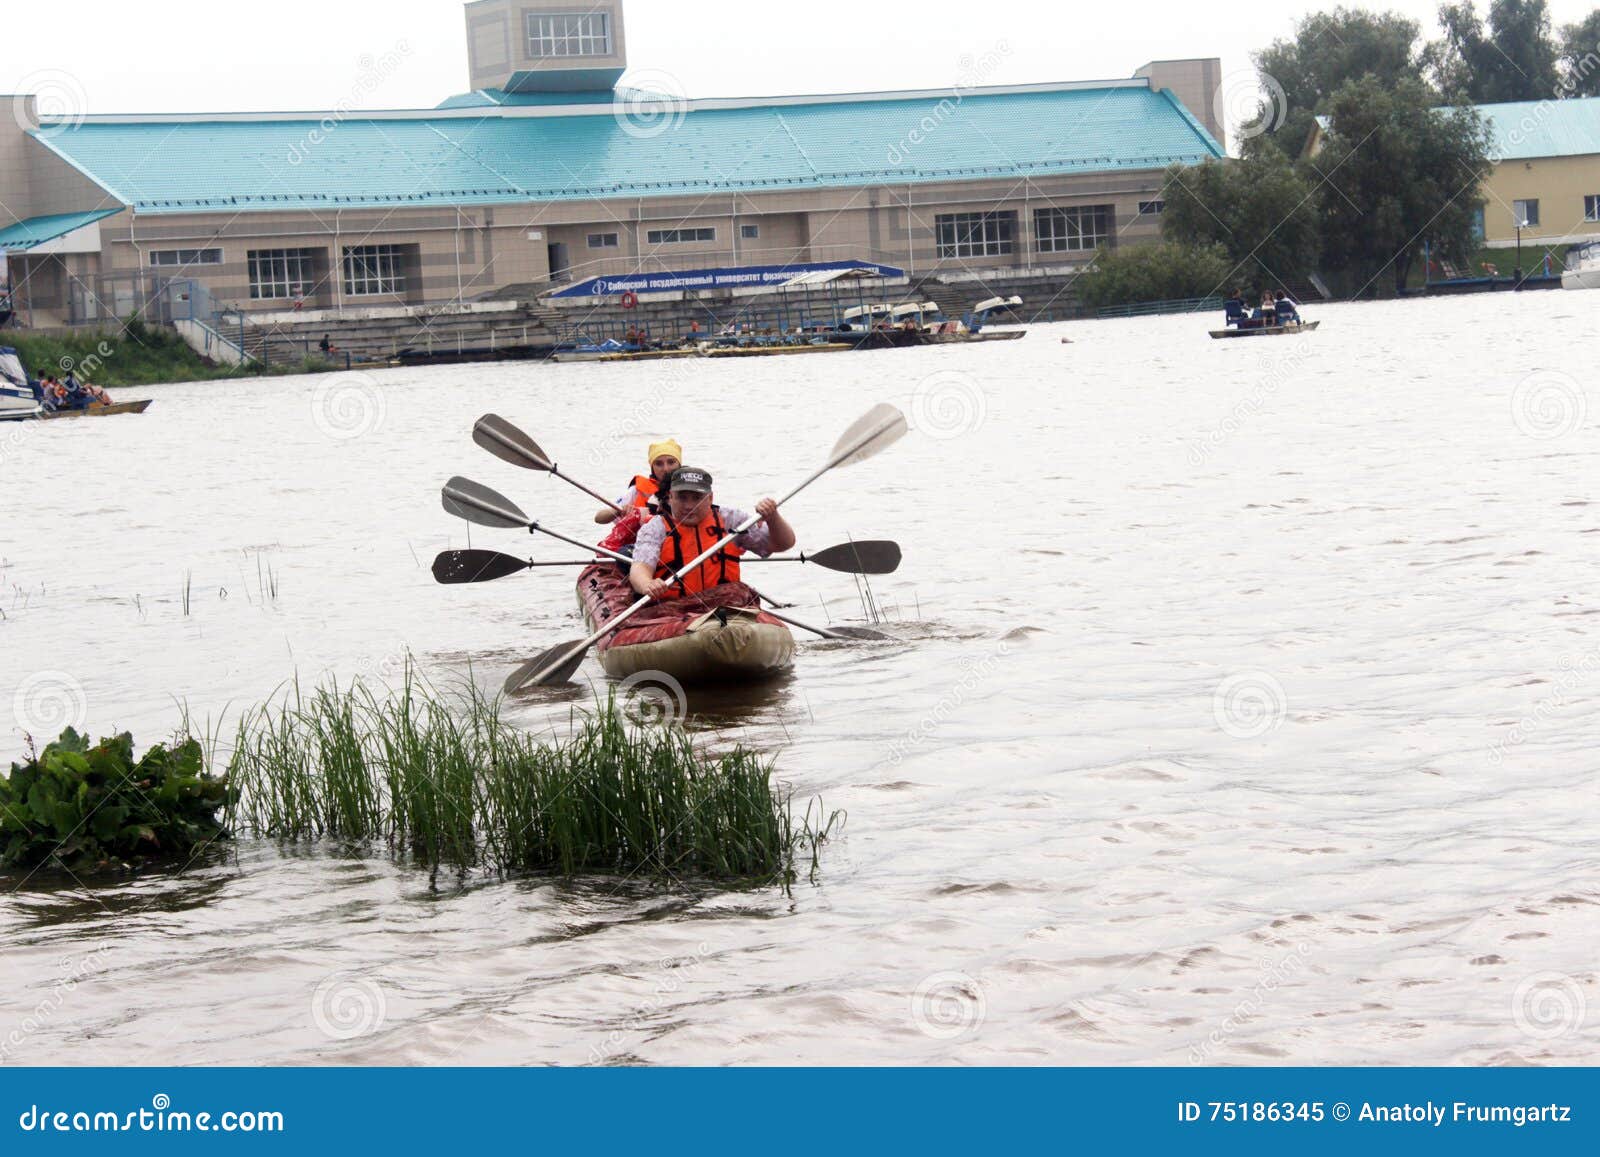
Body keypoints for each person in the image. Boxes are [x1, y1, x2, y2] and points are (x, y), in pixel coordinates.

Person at [630, 466, 795, 600]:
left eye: (696, 498)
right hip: (676, 608)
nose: (689, 506)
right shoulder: (654, 528)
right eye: (682, 497)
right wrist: (647, 585)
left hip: (724, 602)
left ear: (710, 498)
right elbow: (640, 569)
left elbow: (782, 545)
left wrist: (772, 518)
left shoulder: (732, 519)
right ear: (670, 497)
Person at [595, 439, 682, 524]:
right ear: (652, 467)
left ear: (679, 464)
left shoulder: (690, 486)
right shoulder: (636, 491)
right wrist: (619, 510)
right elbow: (599, 518)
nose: (665, 469)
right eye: (659, 464)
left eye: (671, 462)